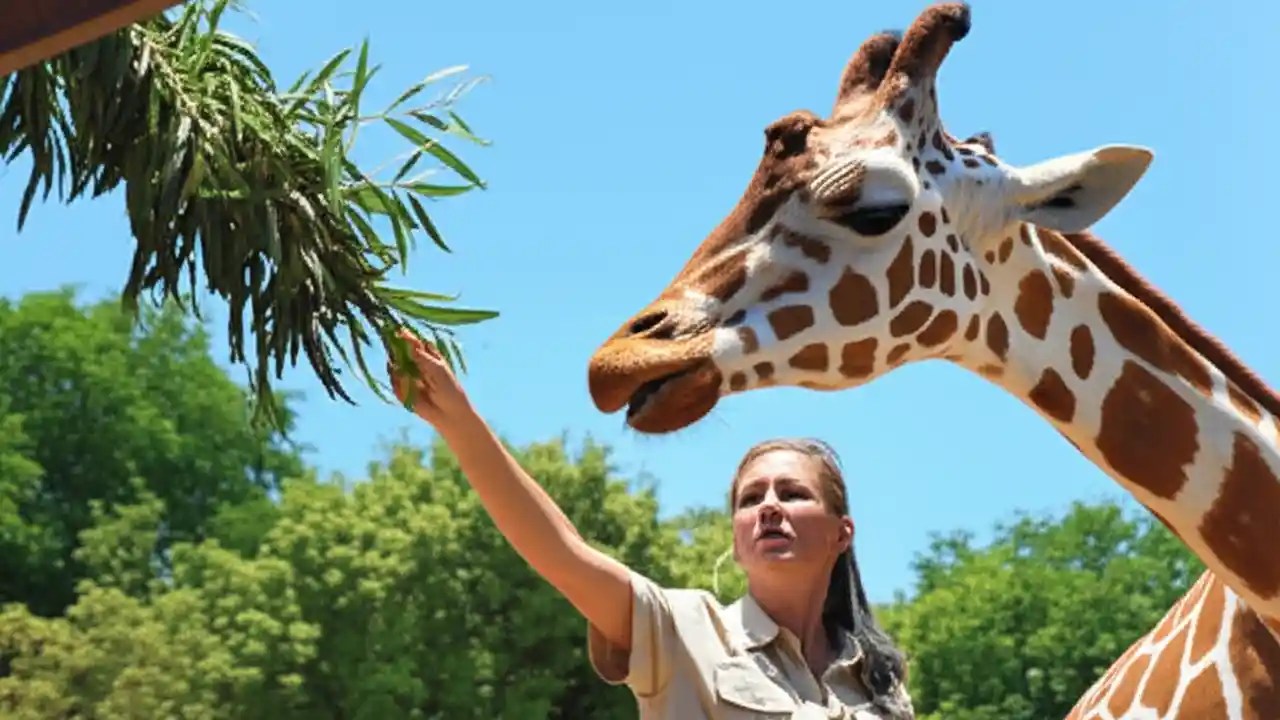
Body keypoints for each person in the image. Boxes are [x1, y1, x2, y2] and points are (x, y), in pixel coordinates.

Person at [387, 330, 915, 719]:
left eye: (793, 493)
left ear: (841, 534)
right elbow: (562, 553)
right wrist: (457, 420)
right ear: (735, 539)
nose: (768, 506)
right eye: (751, 498)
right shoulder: (681, 629)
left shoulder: (880, 685)